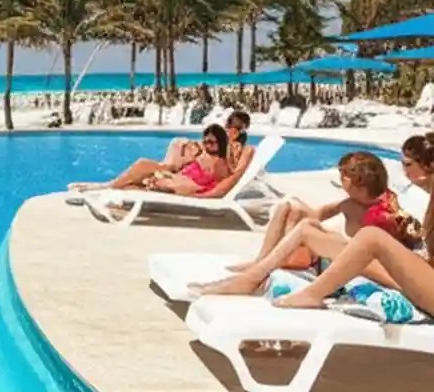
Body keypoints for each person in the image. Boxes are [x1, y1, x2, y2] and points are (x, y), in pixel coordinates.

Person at [193, 138, 432, 300]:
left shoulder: (381, 214)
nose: (403, 171)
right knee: (300, 217)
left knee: (349, 234)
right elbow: (320, 214)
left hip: (410, 279)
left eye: (407, 164)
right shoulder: (361, 204)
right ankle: (255, 272)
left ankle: (265, 280)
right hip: (412, 271)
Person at [220, 150, 419, 276]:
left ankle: (264, 266)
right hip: (326, 253)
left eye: (343, 177)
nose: (340, 180)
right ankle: (260, 261)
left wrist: (314, 234)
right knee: (290, 205)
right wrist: (295, 218)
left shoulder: (378, 216)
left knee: (304, 224)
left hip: (333, 261)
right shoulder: (352, 203)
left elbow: (371, 256)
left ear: (355, 181)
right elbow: (320, 212)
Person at [69, 111, 254, 196]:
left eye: (229, 127)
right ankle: (106, 187)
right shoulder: (222, 145)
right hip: (188, 175)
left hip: (196, 182)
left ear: (238, 131)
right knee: (137, 181)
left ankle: (106, 188)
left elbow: (235, 175)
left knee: (142, 167)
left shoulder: (245, 150)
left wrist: (209, 195)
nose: (226, 130)